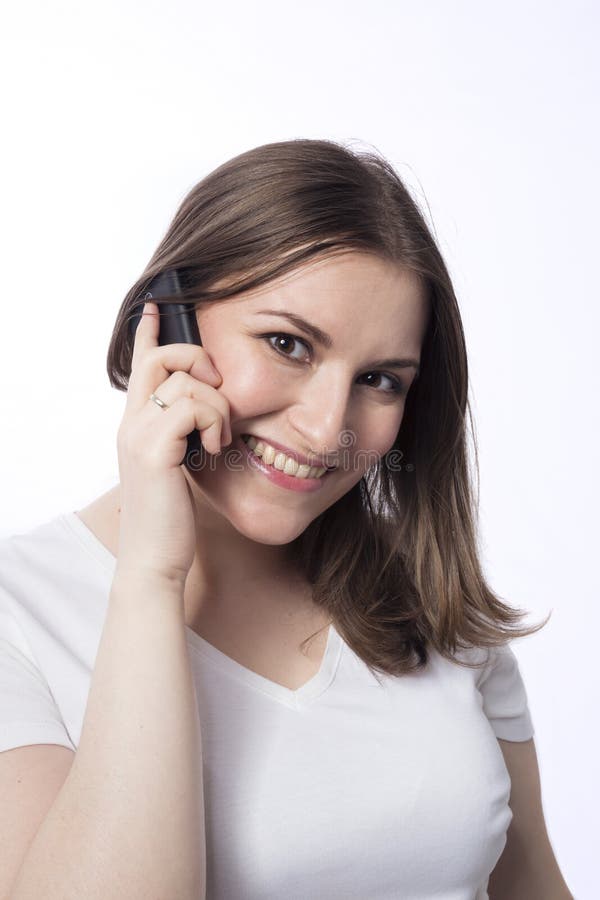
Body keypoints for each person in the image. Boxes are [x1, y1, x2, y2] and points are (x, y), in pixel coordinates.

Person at [0, 139, 573, 898]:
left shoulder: (432, 603)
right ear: (168, 325)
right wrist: (151, 575)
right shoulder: (20, 612)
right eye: (287, 344)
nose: (325, 424)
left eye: (379, 380)